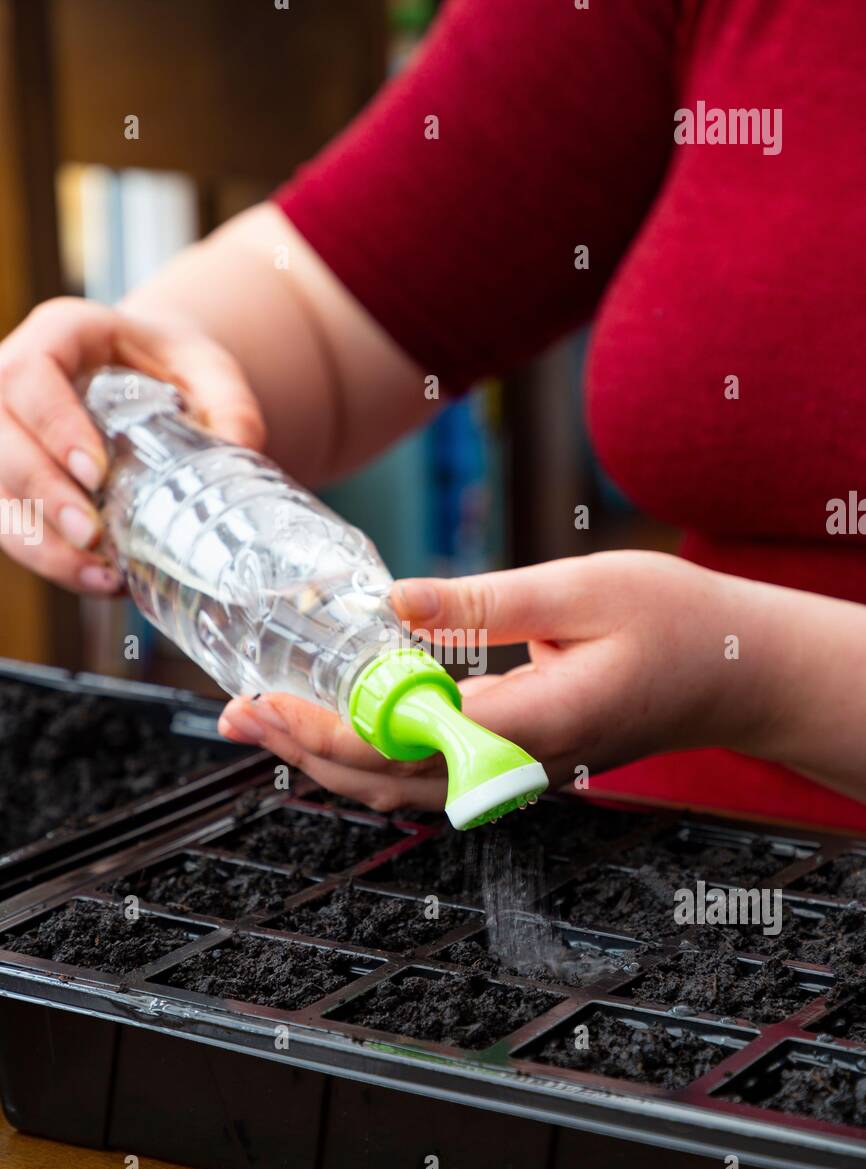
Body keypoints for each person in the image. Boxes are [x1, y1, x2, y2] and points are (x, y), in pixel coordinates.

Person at [1, 0, 865, 825]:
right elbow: (338, 300)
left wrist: (758, 674)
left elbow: (742, 671)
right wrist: (136, 377)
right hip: (668, 865)